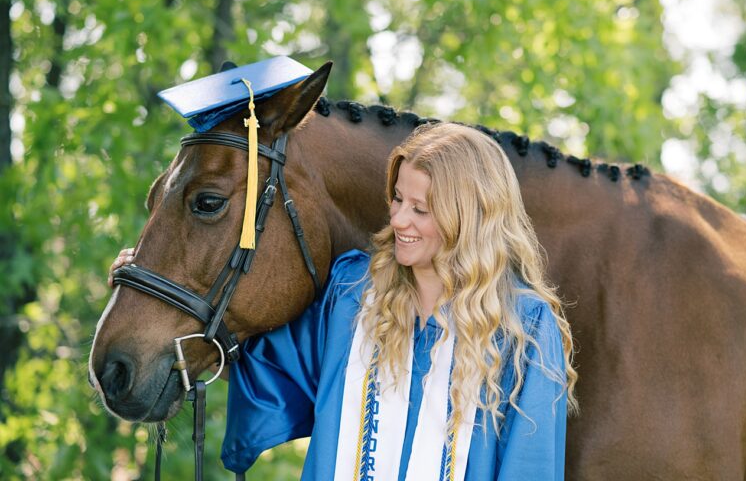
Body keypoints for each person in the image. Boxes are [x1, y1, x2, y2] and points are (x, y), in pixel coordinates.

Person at [110, 122, 577, 480]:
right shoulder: (354, 297)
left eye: (421, 208)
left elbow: (528, 466)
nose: (399, 220)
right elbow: (263, 370)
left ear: (469, 217)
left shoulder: (524, 327)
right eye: (396, 200)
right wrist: (154, 296)